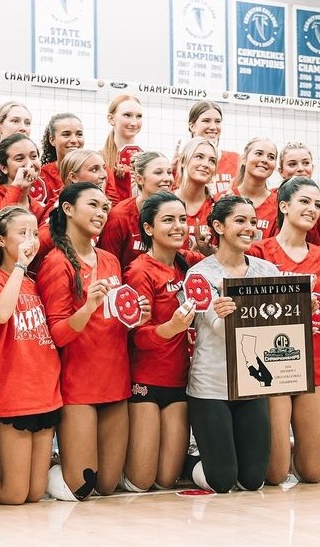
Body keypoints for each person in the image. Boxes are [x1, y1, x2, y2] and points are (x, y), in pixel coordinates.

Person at [37, 183, 151, 501]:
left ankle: (60, 462)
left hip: (116, 381)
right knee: (82, 489)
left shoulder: (111, 260)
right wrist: (87, 308)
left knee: (107, 485)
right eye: (93, 205)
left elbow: (117, 320)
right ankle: (43, 469)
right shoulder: (56, 263)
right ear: (68, 209)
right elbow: (58, 334)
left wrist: (136, 317)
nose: (101, 213)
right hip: (79, 387)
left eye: (105, 207)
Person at [248, 177, 320, 484]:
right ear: (284, 206)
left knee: (312, 473)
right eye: (304, 201)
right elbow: (247, 317)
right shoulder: (258, 253)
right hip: (271, 364)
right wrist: (292, 302)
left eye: (318, 203)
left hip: (315, 364)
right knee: (275, 474)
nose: (313, 208)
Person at [183, 195, 279, 493]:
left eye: (252, 221)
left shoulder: (267, 271)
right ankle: (187, 463)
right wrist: (223, 315)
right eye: (240, 221)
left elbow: (281, 329)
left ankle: (224, 456)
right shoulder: (200, 274)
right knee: (222, 481)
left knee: (252, 481)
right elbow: (220, 327)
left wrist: (302, 309)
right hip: (211, 386)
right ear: (218, 226)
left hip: (251, 386)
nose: (249, 228)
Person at [0, 206, 62, 504]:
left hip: (46, 391)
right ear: (0, 241)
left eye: (33, 232)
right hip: (13, 394)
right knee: (14, 495)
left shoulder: (35, 282)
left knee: (35, 493)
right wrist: (18, 267)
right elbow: (0, 314)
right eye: (22, 232)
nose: (30, 239)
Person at [122, 192, 194, 491]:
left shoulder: (189, 265)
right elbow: (137, 336)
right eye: (168, 220)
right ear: (148, 229)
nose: (178, 226)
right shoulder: (139, 271)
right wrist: (171, 327)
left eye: (182, 219)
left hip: (179, 384)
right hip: (146, 383)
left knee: (166, 480)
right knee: (141, 481)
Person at [98, 151, 176, 270]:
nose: (167, 178)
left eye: (169, 172)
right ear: (139, 179)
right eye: (158, 172)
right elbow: (108, 265)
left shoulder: (176, 211)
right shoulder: (119, 217)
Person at [0, 134, 45, 243]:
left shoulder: (38, 208)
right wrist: (16, 187)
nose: (29, 164)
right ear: (4, 168)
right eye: (19, 159)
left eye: (33, 157)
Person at [173, 137, 219, 252]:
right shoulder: (163, 203)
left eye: (212, 161)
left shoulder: (218, 207)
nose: (206, 164)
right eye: (199, 157)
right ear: (183, 161)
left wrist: (210, 253)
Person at [184, 101, 240, 194]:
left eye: (217, 121)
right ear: (192, 126)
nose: (213, 127)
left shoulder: (235, 160)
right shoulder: (181, 163)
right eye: (206, 121)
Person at [229, 137, 279, 237]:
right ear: (244, 159)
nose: (265, 160)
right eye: (259, 153)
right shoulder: (222, 198)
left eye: (271, 157)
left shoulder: (279, 205)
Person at [101, 95, 144, 203]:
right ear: (111, 119)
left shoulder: (148, 160)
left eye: (139, 116)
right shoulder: (98, 160)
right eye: (127, 115)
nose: (134, 123)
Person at [39, 113, 85, 203]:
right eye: (66, 135)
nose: (74, 140)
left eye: (79, 134)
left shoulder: (97, 169)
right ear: (52, 140)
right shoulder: (42, 175)